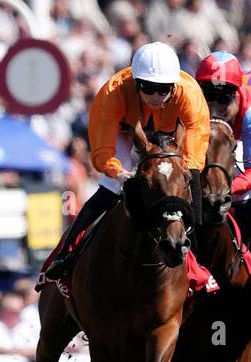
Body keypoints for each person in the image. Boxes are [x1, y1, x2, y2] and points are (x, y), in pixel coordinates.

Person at [46, 42, 210, 280]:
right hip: (127, 134)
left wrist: (186, 171)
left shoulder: (190, 94)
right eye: (149, 88)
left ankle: (198, 257)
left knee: (188, 180)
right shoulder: (112, 93)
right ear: (135, 83)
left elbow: (194, 156)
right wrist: (120, 173)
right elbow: (102, 152)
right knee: (112, 185)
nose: (156, 96)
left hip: (172, 137)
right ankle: (65, 253)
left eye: (164, 89)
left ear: (174, 86)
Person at [194, 52, 251, 203]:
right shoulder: (188, 100)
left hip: (237, 144)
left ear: (236, 96)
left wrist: (228, 188)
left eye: (223, 99)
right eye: (208, 96)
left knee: (243, 197)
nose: (214, 107)